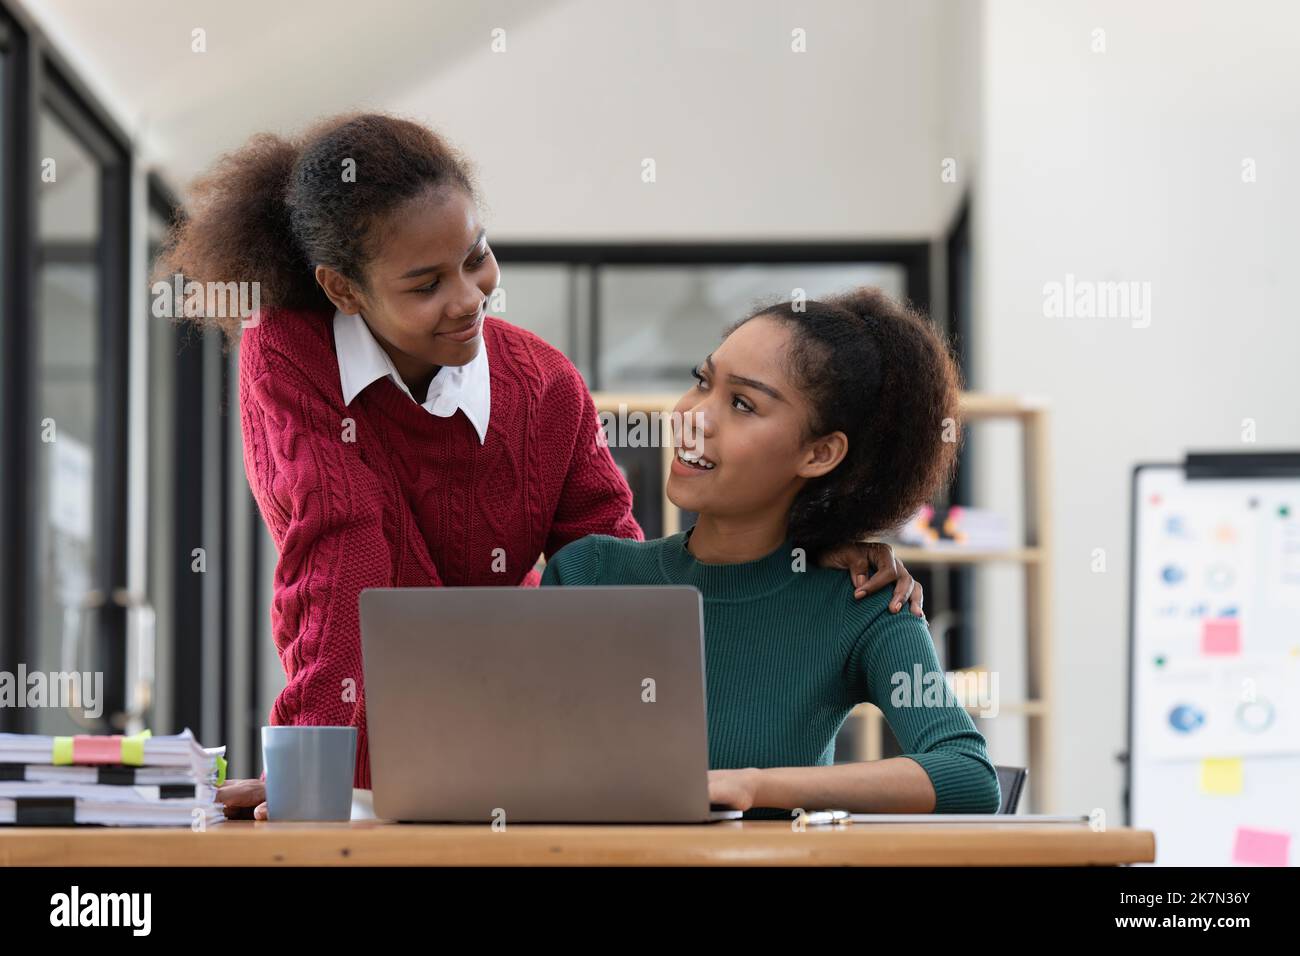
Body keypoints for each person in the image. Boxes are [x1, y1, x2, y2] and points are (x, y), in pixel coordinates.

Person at [154, 112, 924, 818]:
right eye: (425, 284)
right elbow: (341, 548)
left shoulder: (547, 387)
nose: (469, 299)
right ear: (342, 289)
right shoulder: (289, 351)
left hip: (515, 744)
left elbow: (619, 580)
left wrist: (810, 539)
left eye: (476, 257)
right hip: (352, 754)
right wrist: (308, 765)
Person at [541, 287, 1001, 814]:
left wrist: (759, 787)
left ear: (819, 453)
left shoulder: (864, 604)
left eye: (742, 404)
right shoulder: (588, 573)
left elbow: (967, 776)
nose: (694, 417)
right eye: (702, 381)